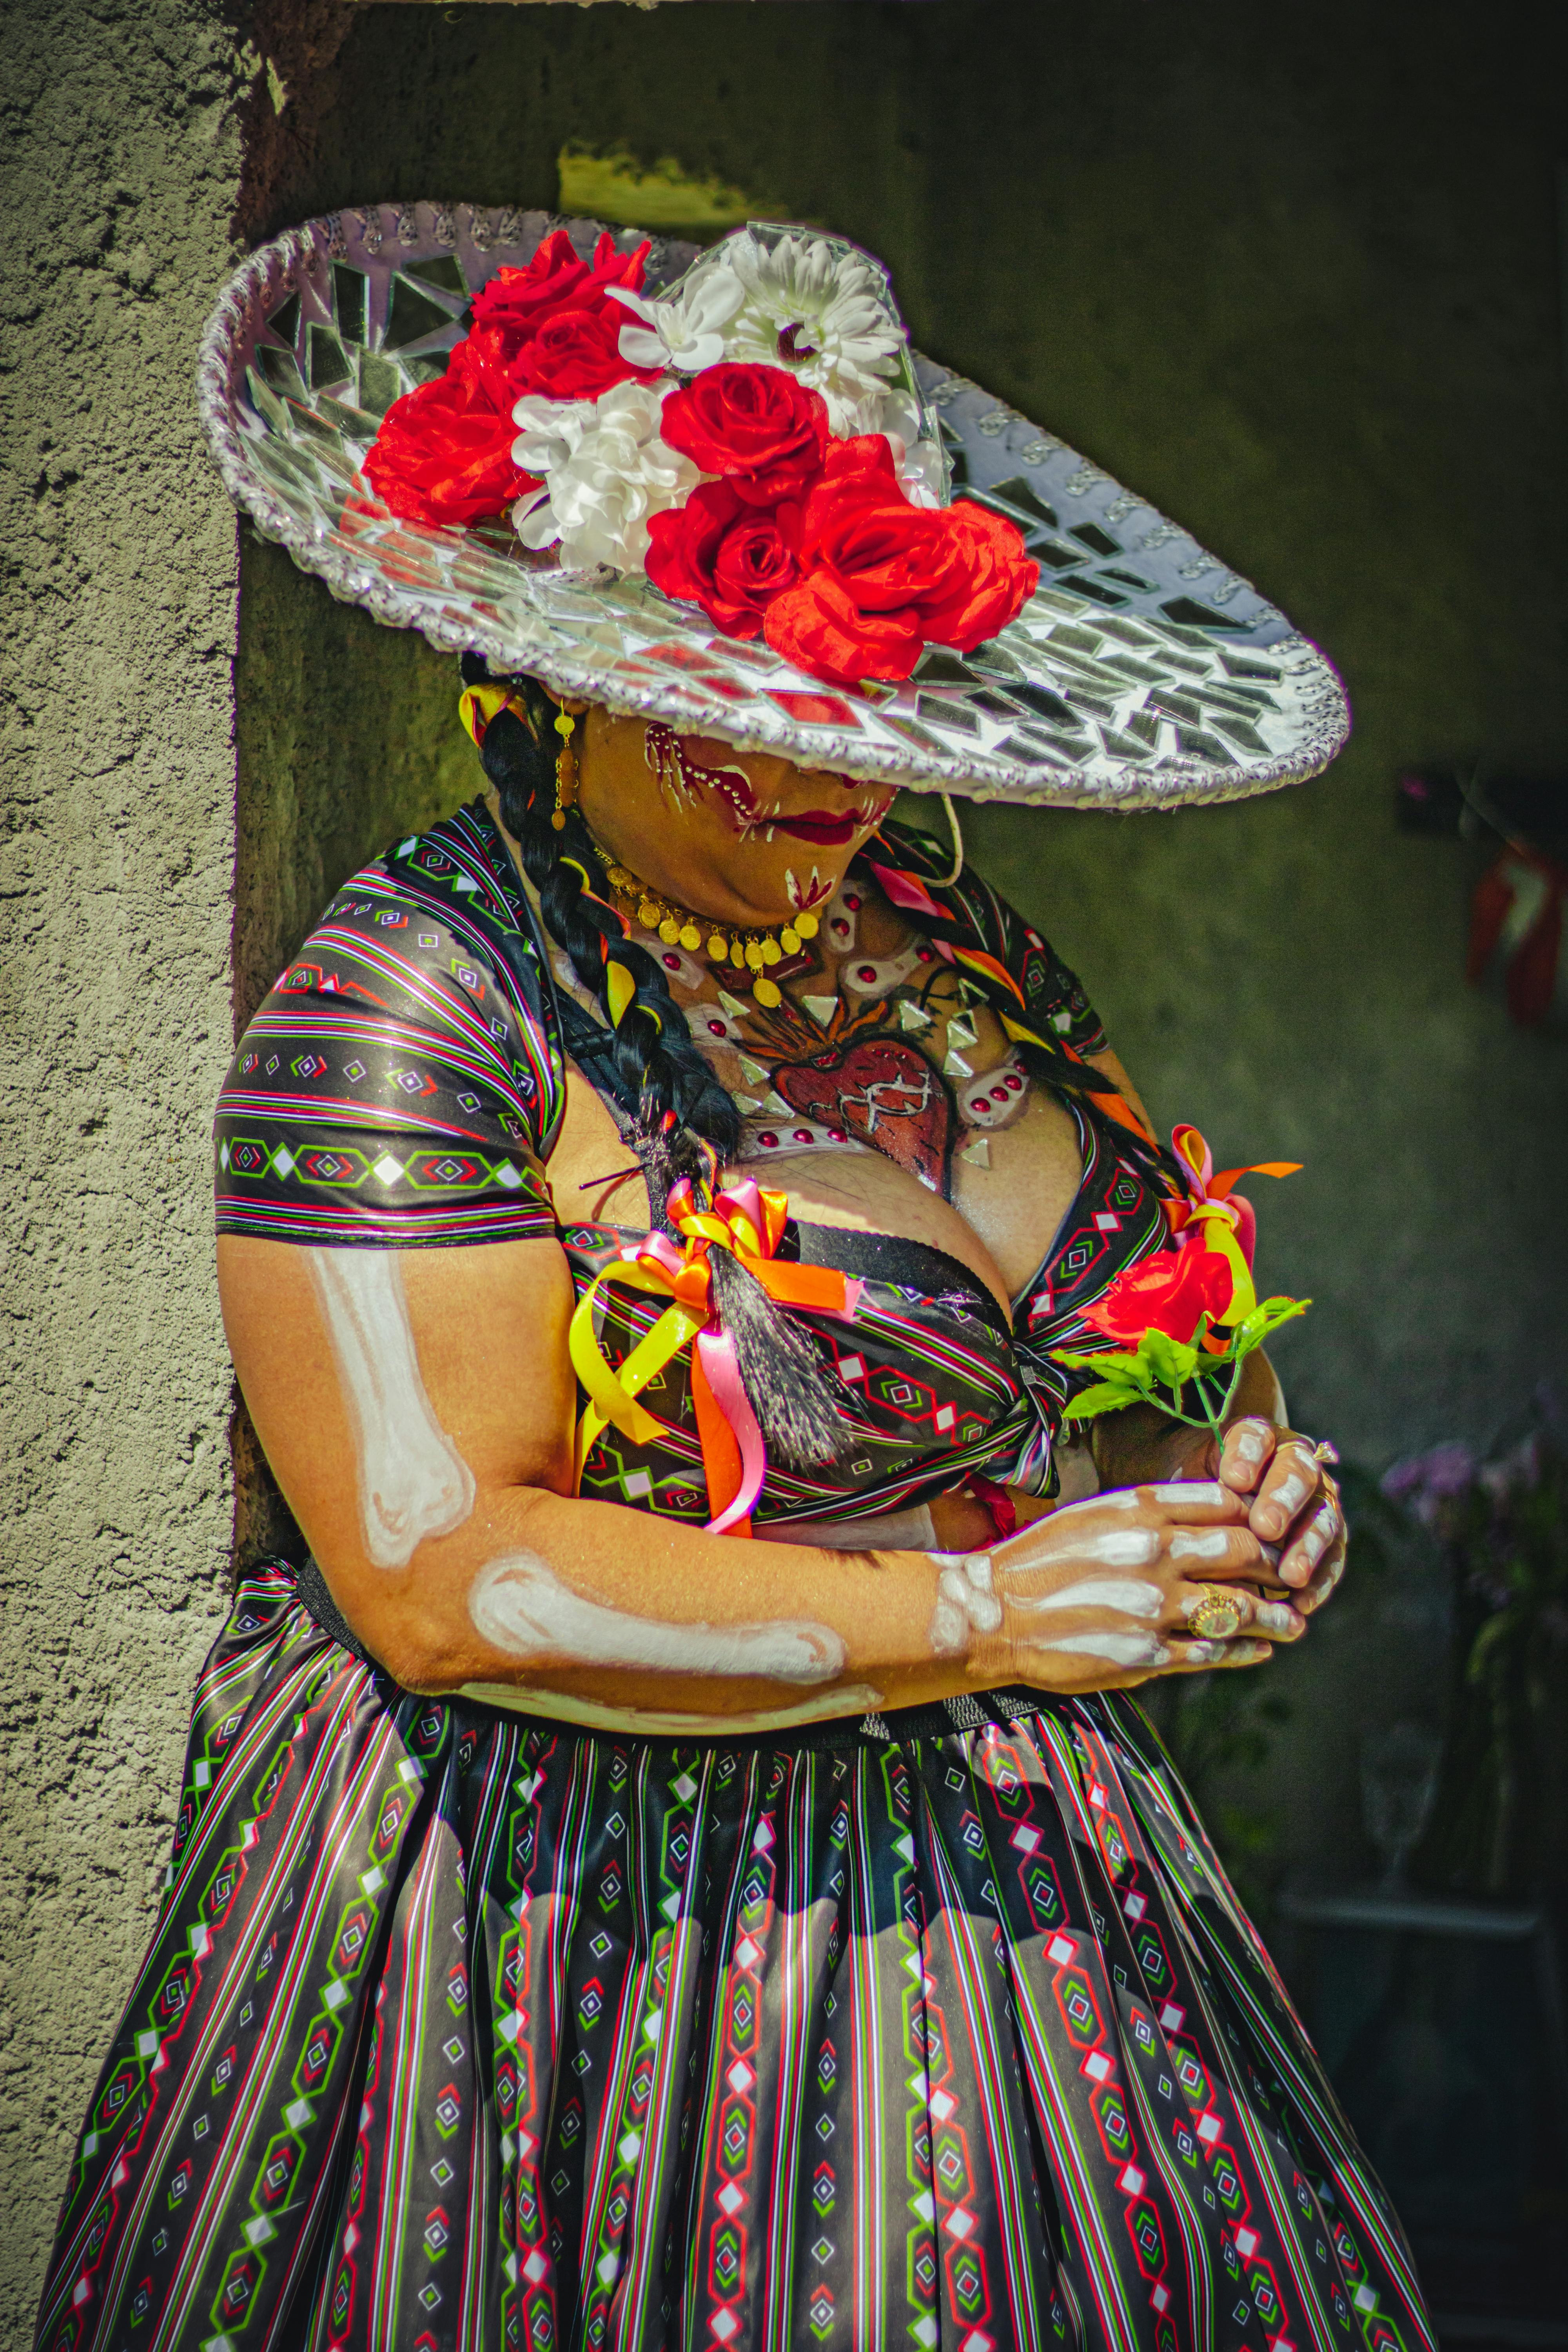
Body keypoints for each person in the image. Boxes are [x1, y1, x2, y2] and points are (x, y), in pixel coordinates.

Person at [36, 211, 1433, 2351]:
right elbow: (435, 1573)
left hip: (1045, 1916)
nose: (836, 788)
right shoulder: (424, 993)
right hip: (608, 1924)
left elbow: (1137, 1354)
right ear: (574, 674)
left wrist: (1229, 1491)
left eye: (873, 722)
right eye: (747, 729)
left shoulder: (962, 947)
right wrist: (979, 1615)